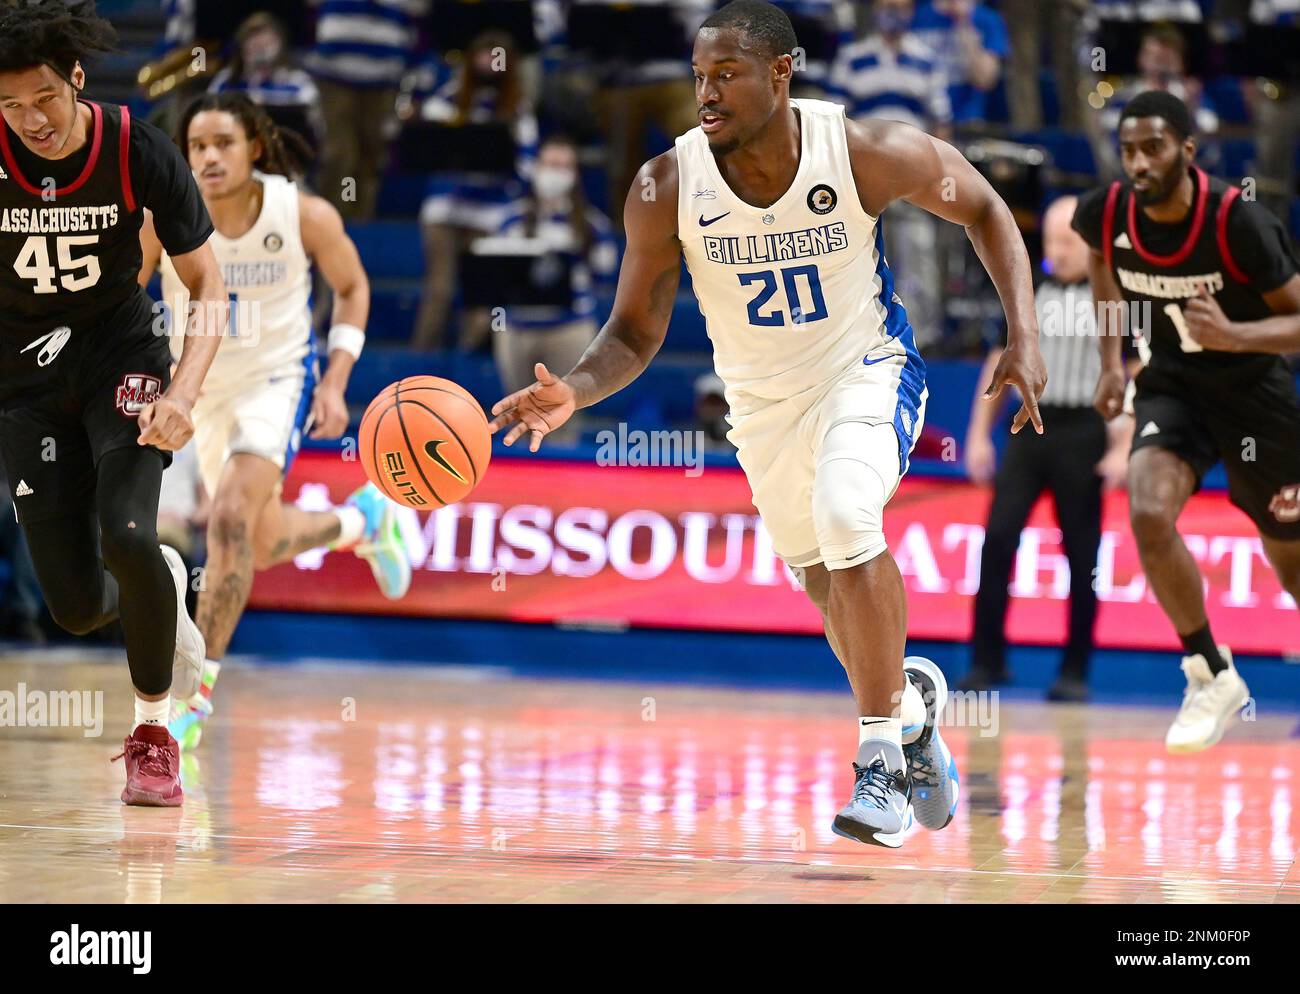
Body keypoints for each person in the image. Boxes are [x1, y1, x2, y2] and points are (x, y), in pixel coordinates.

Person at [490, 0, 1047, 849]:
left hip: (867, 371)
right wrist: (573, 388)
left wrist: (1025, 334)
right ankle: (911, 709)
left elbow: (986, 210)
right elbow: (636, 332)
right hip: (761, 410)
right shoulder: (664, 185)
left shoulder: (861, 150)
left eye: (726, 75)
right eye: (698, 77)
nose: (705, 94)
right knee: (831, 592)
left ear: (780, 72)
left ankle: (880, 766)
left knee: (847, 514)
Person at [0, 0, 224, 805]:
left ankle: (153, 737)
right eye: (11, 106)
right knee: (75, 607)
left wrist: (185, 392)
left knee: (125, 531)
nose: (32, 120)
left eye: (45, 99)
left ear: (78, 81)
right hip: (23, 378)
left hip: (119, 359)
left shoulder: (136, 148)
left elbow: (207, 284)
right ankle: (159, 577)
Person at [139, 93, 412, 750]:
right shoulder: (165, 216)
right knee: (254, 545)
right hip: (199, 388)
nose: (207, 156)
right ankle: (362, 522)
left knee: (228, 520)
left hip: (277, 378)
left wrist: (338, 381)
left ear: (254, 146)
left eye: (222, 143)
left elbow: (352, 288)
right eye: (196, 146)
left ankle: (190, 705)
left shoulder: (302, 213)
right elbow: (125, 295)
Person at [1074, 90, 1300, 753]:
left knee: (1291, 566)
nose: (1139, 163)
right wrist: (1112, 363)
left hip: (1257, 394)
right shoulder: (1109, 211)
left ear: (1186, 151)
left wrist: (1233, 335)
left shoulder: (1237, 220)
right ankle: (1210, 672)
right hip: (1173, 389)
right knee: (1146, 510)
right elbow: (1100, 263)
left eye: (1153, 148)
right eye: (1128, 151)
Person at [963, 195, 1132, 702]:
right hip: (1026, 426)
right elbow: (998, 357)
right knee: (997, 542)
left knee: (1082, 557)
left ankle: (1075, 670)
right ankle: (986, 662)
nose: (1056, 249)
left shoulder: (1117, 298)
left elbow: (1135, 375)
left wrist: (1123, 444)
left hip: (1084, 430)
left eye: (1067, 240)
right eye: (1052, 239)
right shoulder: (1026, 289)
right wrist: (976, 435)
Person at [826, 0, 951, 346]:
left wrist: (940, 176)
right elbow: (834, 121)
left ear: (911, 12)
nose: (893, 13)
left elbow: (941, 124)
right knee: (862, 251)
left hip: (914, 174)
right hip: (864, 175)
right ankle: (865, 331)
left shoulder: (925, 59)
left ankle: (923, 338)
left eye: (900, 7)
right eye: (886, 6)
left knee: (919, 250)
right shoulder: (852, 57)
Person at [492, 133, 619, 442]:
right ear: (535, 168)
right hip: (518, 329)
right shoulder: (510, 220)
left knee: (561, 418)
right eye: (550, 164)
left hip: (568, 330)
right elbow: (494, 275)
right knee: (518, 412)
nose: (555, 173)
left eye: (564, 167)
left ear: (575, 175)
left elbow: (605, 275)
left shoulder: (591, 225)